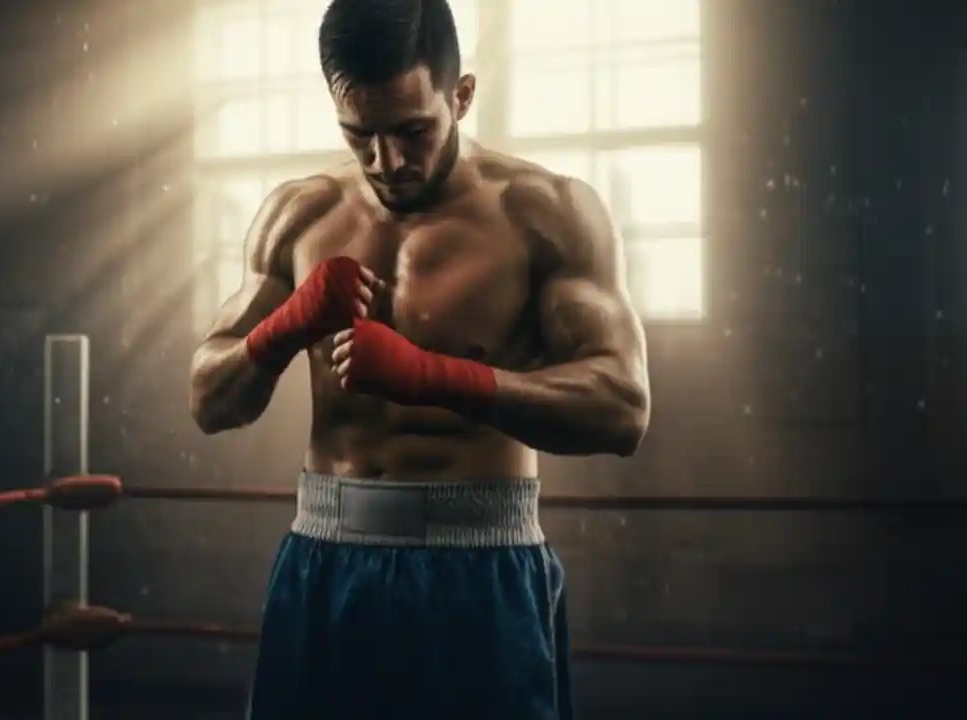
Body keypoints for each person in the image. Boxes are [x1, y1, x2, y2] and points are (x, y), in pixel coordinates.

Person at [189, 0, 650, 717]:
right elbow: (210, 402)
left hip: (478, 568)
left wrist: (435, 378)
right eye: (359, 135)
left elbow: (622, 408)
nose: (387, 162)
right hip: (323, 560)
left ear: (461, 95)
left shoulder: (546, 211)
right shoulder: (299, 215)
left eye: (412, 131)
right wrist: (285, 326)